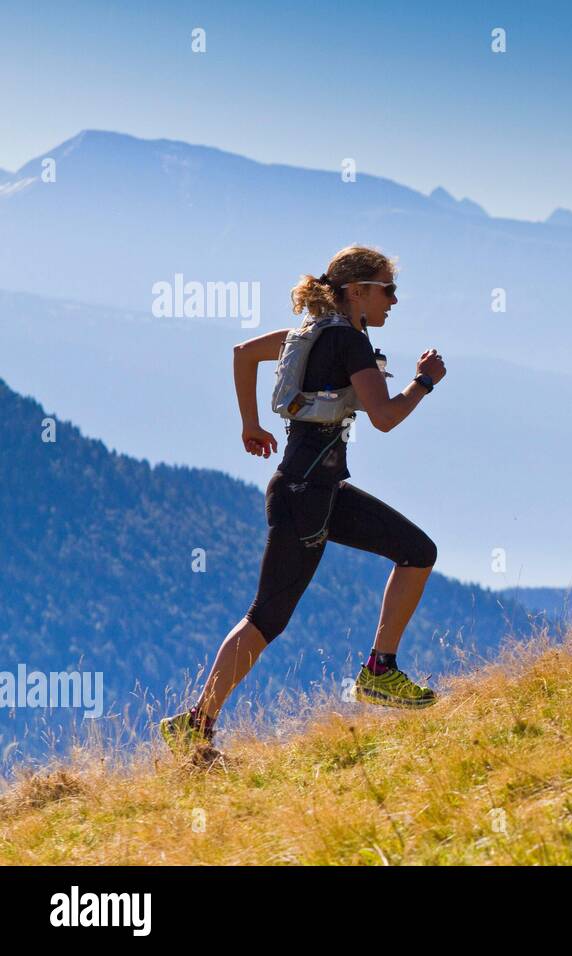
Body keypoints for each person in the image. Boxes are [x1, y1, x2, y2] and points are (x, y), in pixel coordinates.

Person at [160, 245, 447, 755]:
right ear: (357, 291)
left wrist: (250, 424)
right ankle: (196, 724)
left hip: (315, 490)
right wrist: (424, 382)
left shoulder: (308, 331)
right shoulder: (350, 342)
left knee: (417, 551)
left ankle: (380, 670)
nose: (395, 301)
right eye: (388, 289)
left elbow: (242, 353)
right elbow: (384, 417)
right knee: (266, 617)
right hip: (308, 498)